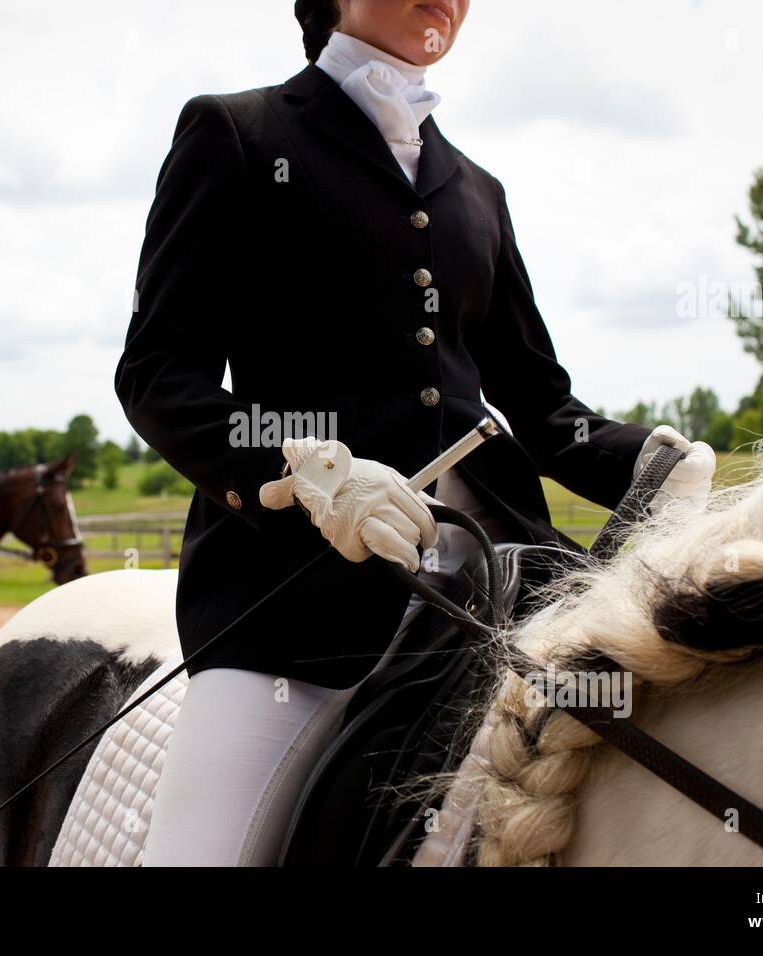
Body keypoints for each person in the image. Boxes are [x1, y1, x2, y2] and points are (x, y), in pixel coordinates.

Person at [114, 0, 716, 865]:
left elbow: (543, 408)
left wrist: (652, 462)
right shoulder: (236, 134)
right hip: (299, 602)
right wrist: (307, 469)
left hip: (505, 595)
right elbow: (158, 374)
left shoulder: (477, 189)